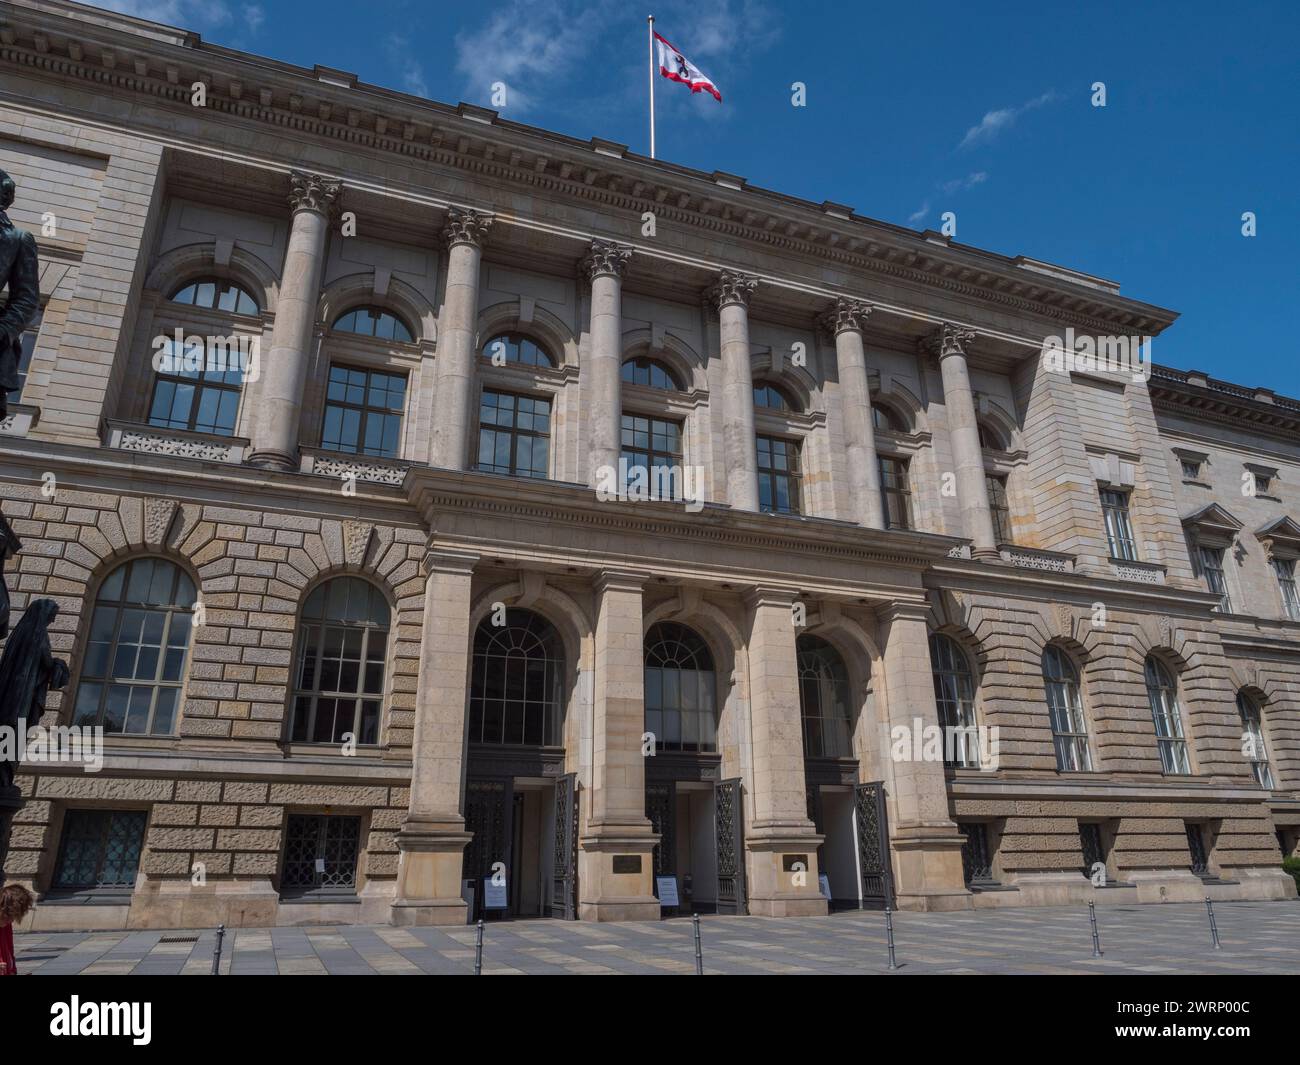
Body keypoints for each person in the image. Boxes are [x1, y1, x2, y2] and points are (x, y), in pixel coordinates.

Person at [0, 882, 34, 975]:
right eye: (9, 916)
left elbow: (9, 956)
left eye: (14, 916)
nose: (11, 920)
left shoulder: (5, 926)